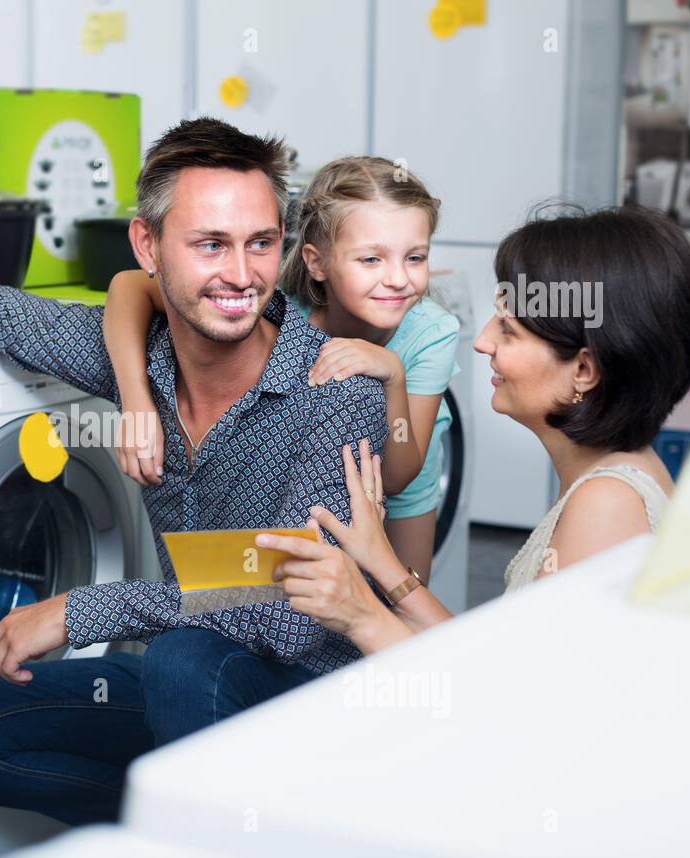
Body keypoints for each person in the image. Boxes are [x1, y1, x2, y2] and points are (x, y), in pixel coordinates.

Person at [0, 117, 387, 825]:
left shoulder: (336, 392)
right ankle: (174, 822)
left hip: (307, 705)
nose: (242, 275)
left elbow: (288, 619)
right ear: (148, 246)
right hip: (188, 687)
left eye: (261, 243)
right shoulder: (137, 362)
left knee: (182, 660)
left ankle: (229, 830)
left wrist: (78, 611)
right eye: (211, 244)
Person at [257, 204, 690, 653]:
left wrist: (361, 615)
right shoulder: (629, 469)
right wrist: (381, 559)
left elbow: (516, 704)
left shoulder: (606, 505)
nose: (482, 342)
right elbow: (491, 653)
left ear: (583, 371)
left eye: (509, 331)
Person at [105, 155, 460, 581]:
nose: (399, 279)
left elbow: (400, 477)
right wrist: (136, 401)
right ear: (317, 262)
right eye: (371, 260)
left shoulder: (431, 332)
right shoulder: (281, 308)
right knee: (271, 588)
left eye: (415, 257)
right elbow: (129, 286)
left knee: (403, 601)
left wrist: (393, 374)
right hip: (296, 473)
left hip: (403, 477)